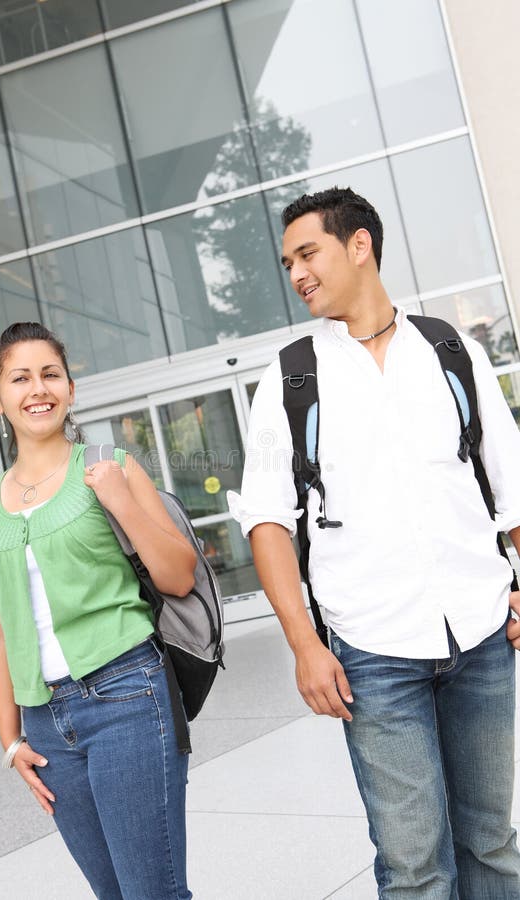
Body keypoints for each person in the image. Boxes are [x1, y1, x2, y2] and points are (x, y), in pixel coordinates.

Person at [228, 187, 520, 898]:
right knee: (414, 863)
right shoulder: (290, 378)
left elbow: (510, 485)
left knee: (491, 842)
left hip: (481, 634)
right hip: (372, 653)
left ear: (359, 244)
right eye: (288, 263)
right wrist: (304, 645)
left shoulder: (452, 352)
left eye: (308, 254)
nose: (297, 274)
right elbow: (267, 521)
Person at [0, 322, 196, 900]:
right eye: (20, 378)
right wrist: (10, 739)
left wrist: (119, 498)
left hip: (126, 695)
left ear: (70, 388)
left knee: (152, 892)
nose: (37, 389)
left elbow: (178, 575)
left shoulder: (110, 465)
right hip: (44, 723)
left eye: (50, 374)